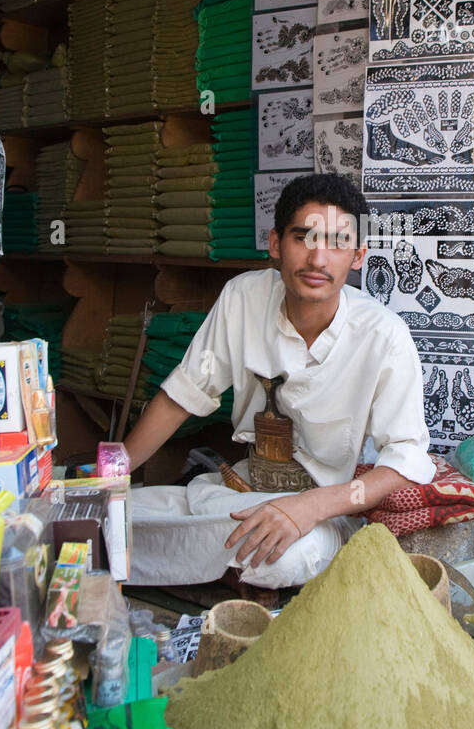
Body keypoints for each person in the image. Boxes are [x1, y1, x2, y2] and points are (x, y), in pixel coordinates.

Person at [125, 173, 435, 588]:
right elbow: (184, 395)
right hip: (237, 491)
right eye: (303, 237)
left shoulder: (384, 336)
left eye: (338, 243)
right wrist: (106, 477)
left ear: (358, 255)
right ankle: (202, 551)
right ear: (275, 244)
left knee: (278, 559)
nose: (318, 259)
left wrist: (309, 507)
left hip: (320, 513)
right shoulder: (243, 297)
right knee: (107, 519)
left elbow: (405, 460)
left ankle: (214, 559)